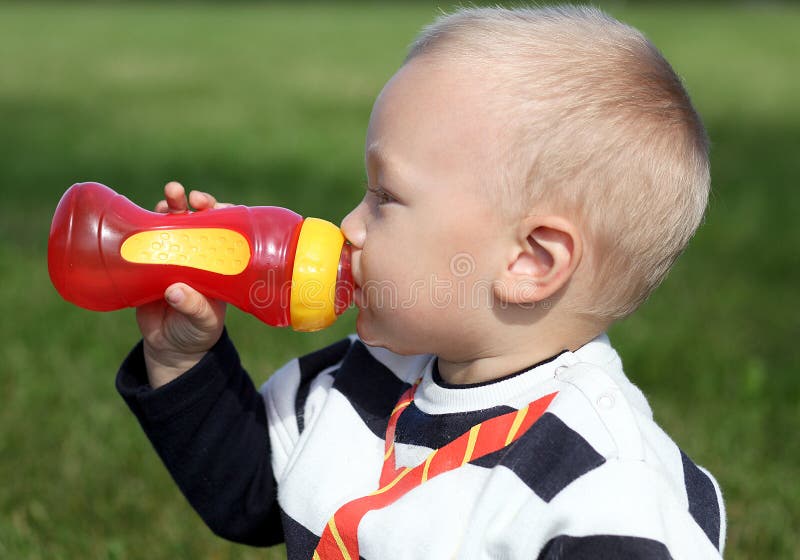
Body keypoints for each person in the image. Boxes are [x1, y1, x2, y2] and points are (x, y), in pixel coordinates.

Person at [117, 6, 725, 559]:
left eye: (386, 197)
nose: (349, 226)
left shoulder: (603, 489)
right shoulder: (364, 376)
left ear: (531, 261)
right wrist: (182, 358)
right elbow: (248, 495)